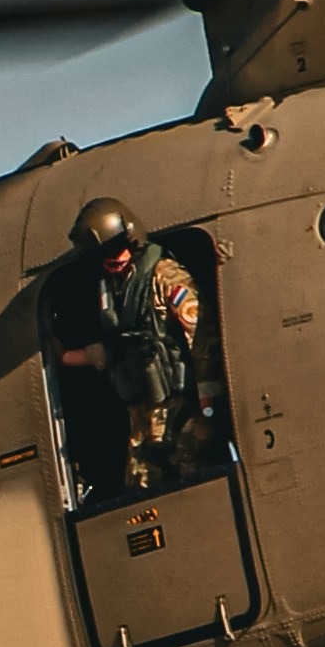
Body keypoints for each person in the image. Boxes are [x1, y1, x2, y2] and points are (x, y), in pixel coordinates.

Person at [49, 195, 210, 493]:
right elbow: (116, 348)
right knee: (141, 492)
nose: (113, 258)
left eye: (116, 247)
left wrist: (209, 400)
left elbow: (201, 337)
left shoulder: (165, 276)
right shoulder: (111, 289)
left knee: (196, 486)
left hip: (180, 411)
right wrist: (67, 357)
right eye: (102, 254)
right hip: (142, 417)